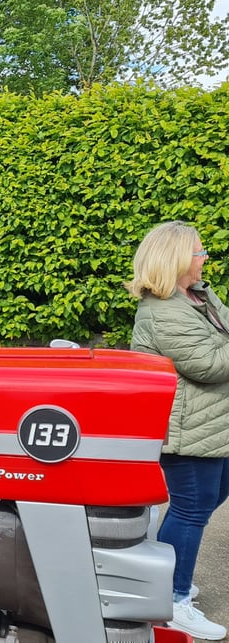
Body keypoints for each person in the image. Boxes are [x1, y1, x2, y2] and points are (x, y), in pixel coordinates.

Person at [127, 220, 229, 641]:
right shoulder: (162, 310)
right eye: (198, 251)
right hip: (186, 429)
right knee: (192, 508)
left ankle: (170, 575)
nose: (205, 257)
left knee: (207, 500)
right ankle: (171, 599)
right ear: (176, 259)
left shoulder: (199, 296)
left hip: (212, 424)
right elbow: (209, 364)